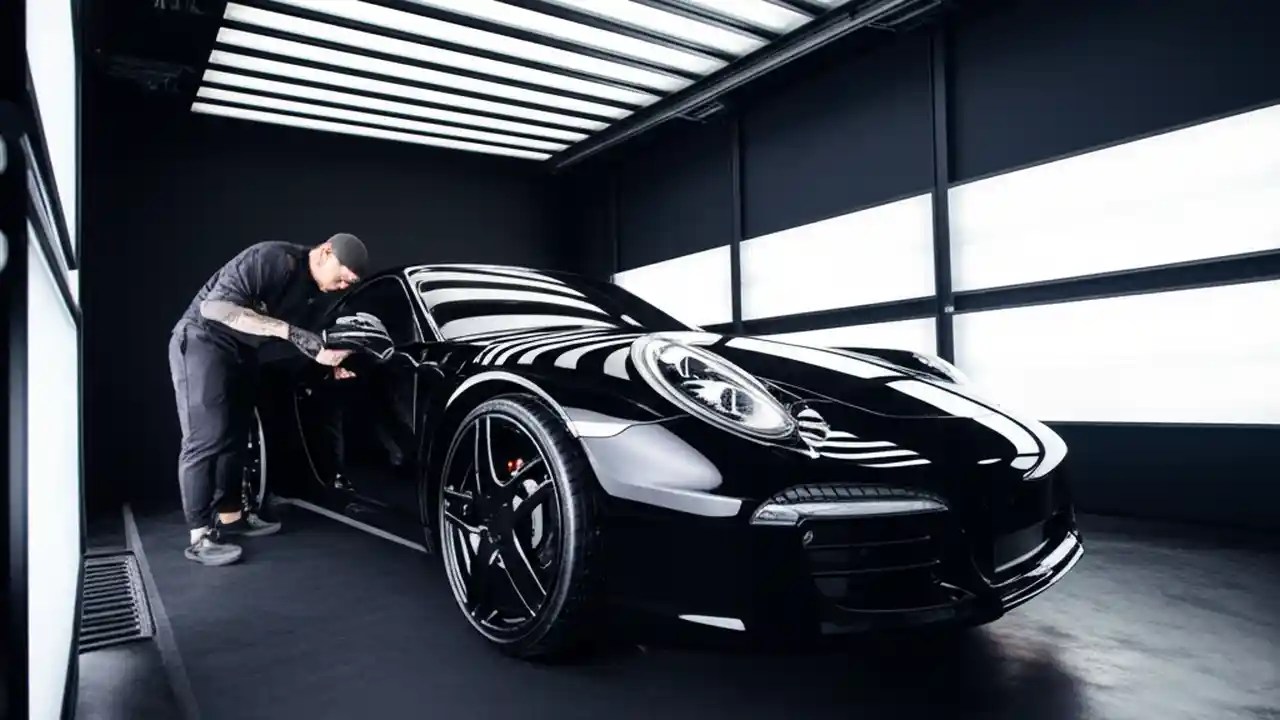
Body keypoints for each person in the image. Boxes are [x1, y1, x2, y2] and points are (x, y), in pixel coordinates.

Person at [168, 233, 368, 566]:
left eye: (349, 283)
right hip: (202, 338)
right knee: (206, 438)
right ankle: (200, 535)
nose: (342, 285)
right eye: (342, 277)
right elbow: (214, 308)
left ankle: (232, 517)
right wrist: (288, 331)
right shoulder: (272, 259)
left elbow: (311, 339)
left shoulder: (313, 292)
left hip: (243, 350)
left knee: (237, 435)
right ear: (326, 252)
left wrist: (333, 364)